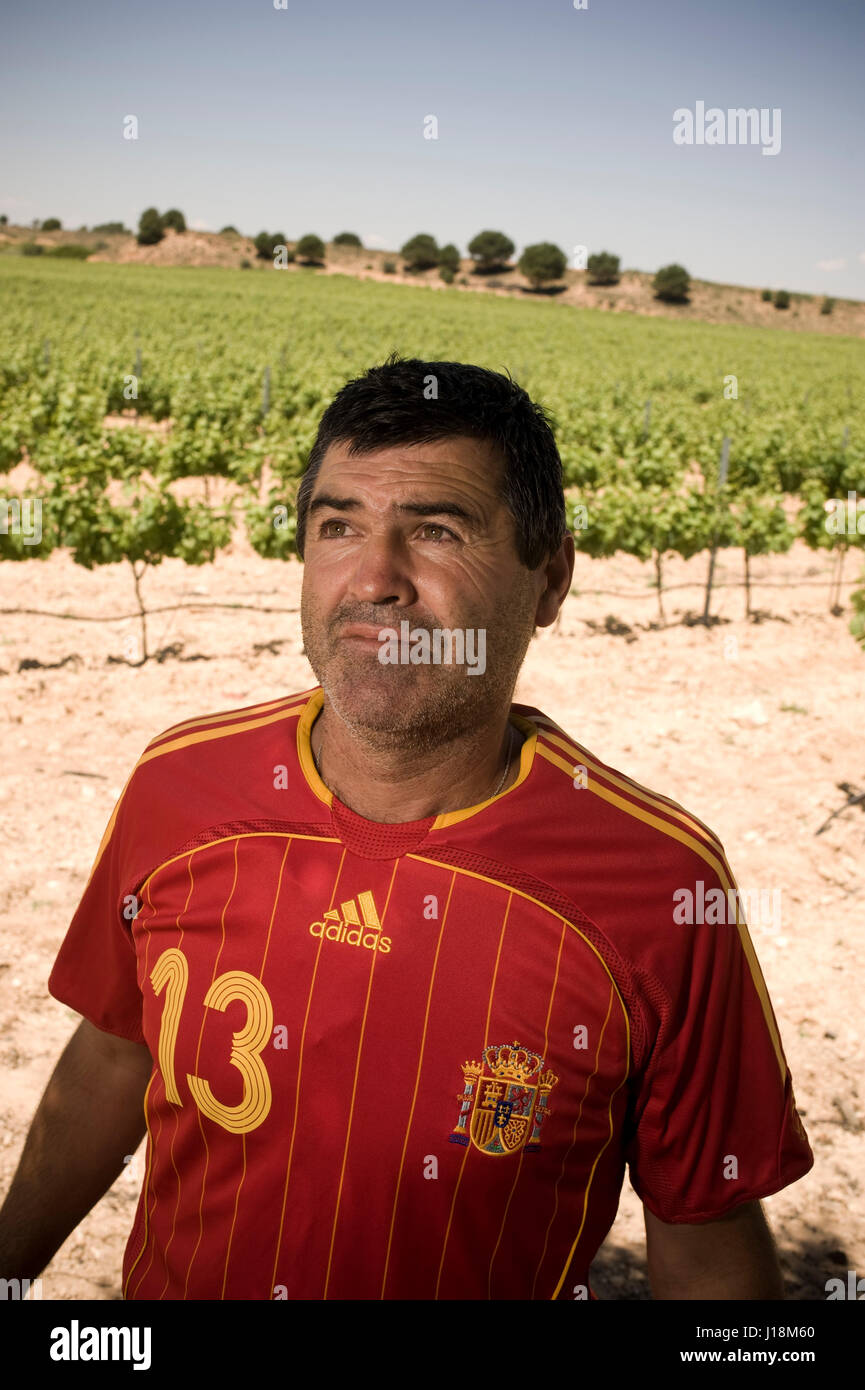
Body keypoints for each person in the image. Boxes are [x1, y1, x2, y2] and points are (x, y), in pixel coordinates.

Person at [0, 355, 812, 1300]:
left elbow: (704, 1232)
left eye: (435, 529)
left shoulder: (662, 888)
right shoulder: (178, 787)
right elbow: (114, 1047)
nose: (375, 579)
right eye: (338, 525)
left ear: (550, 579)